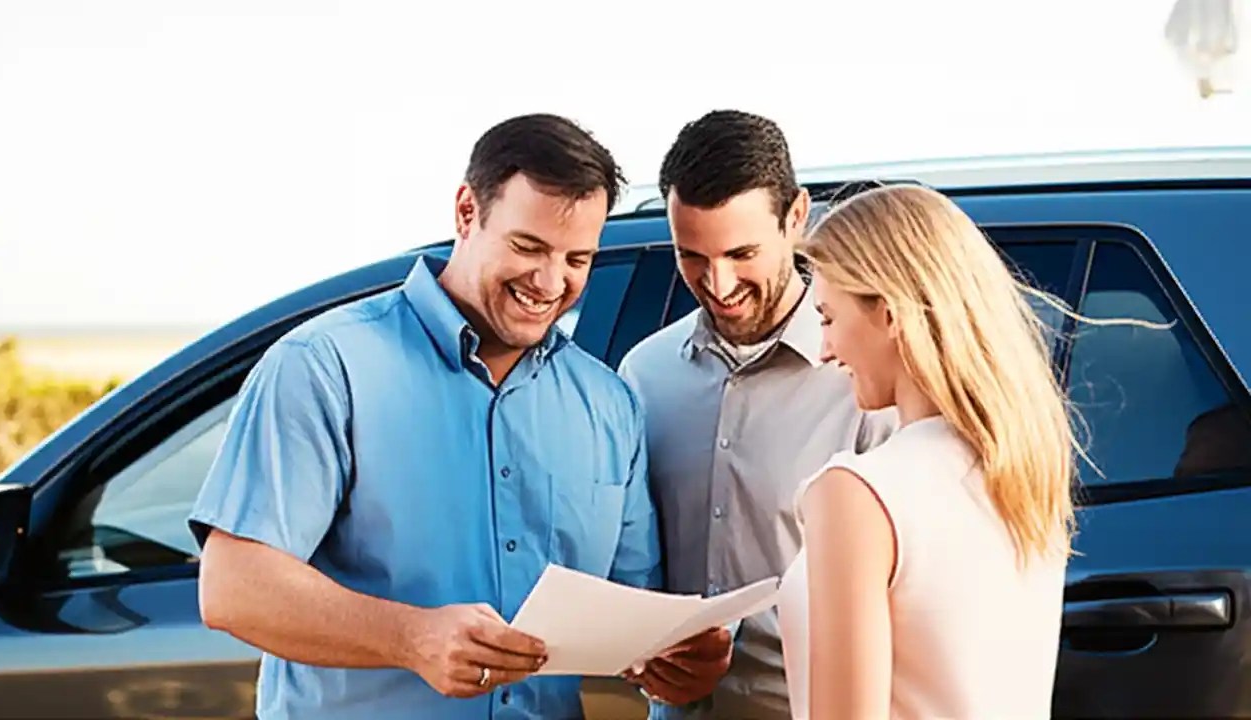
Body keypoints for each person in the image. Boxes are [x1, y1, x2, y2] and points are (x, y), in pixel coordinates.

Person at [187, 113, 665, 719]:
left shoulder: (609, 405)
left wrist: (672, 661)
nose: (551, 282)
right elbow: (234, 589)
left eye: (578, 259)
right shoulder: (326, 368)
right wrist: (409, 638)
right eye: (528, 247)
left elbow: (635, 606)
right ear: (467, 212)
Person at [617, 109, 898, 719]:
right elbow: (628, 559)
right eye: (690, 255)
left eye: (742, 252)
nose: (717, 283)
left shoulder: (863, 378)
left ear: (796, 218)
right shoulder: (644, 375)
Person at [778, 184, 1076, 719]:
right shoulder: (1026, 470)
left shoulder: (857, 493)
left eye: (826, 318)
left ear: (890, 315)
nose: (823, 351)